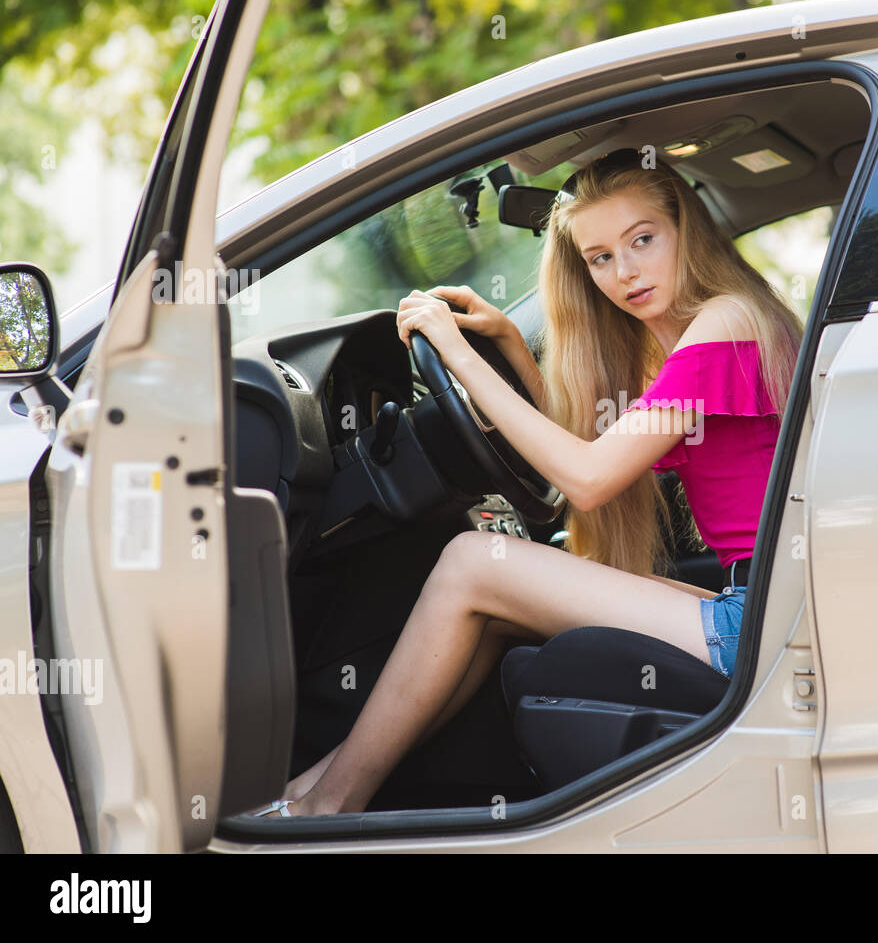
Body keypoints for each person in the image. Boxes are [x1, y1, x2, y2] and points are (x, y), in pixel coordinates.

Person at [255, 147, 804, 816]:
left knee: (469, 562)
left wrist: (455, 353)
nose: (624, 271)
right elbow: (591, 457)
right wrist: (514, 345)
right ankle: (315, 785)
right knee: (490, 610)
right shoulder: (712, 327)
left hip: (758, 621)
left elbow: (590, 477)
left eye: (642, 240)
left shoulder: (726, 322)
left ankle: (325, 804)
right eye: (600, 257)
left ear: (683, 229)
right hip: (762, 604)